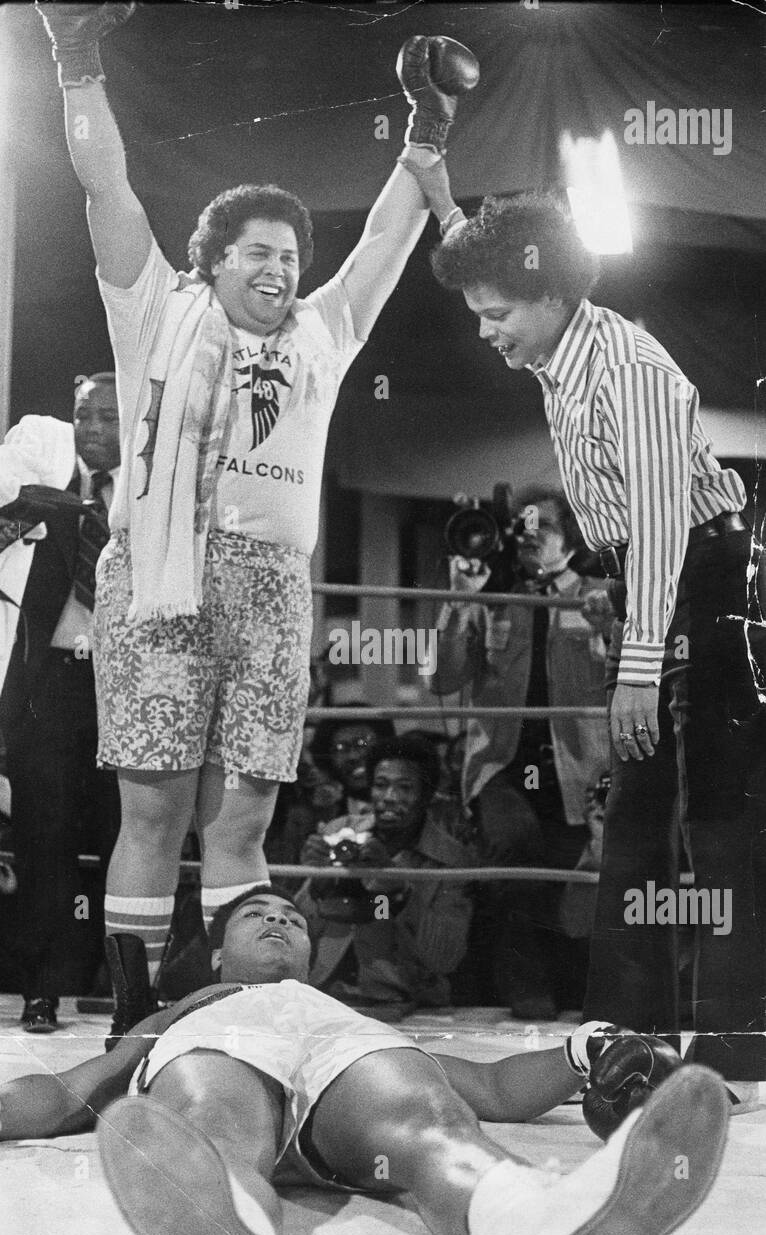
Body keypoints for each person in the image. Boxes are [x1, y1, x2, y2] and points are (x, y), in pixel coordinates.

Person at [36, 7, 479, 1037]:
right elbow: (106, 184)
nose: (280, 269)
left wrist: (429, 130)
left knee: (243, 817)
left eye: (289, 254)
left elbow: (384, 237)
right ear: (215, 257)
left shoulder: (323, 331)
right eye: (258, 253)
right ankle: (135, 1016)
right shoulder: (155, 312)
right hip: (160, 578)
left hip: (274, 592)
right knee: (150, 812)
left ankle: (238, 1016)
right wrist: (76, 65)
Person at [407, 168, 765, 1086]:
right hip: (644, 588)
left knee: (715, 820)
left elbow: (659, 529)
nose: (485, 332)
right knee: (637, 822)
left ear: (552, 293)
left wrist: (640, 668)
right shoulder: (555, 344)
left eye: (498, 313)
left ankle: (739, 1045)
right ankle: (627, 1034)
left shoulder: (632, 369)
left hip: (697, 578)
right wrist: (446, 201)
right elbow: (499, 273)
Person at [0, 886, 729, 1235]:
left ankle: (541, 1227)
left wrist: (582, 1050)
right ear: (219, 953)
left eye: (291, 917)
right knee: (212, 1119)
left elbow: (491, 1089)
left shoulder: (346, 1013)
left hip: (341, 1055)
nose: (280, 920)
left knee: (434, 1122)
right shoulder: (187, 1009)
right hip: (223, 1044)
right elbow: (69, 1092)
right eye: (259, 915)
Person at [430, 485, 610, 1018]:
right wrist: (460, 598)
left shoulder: (600, 596)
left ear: (572, 540)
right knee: (516, 845)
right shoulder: (492, 596)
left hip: (578, 770)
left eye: (543, 527)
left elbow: (631, 677)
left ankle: (571, 988)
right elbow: (442, 679)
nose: (528, 535)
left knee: (572, 877)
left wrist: (611, 629)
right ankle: (525, 987)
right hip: (502, 767)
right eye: (522, 526)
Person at [0, 375, 122, 1031]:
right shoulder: (35, 467)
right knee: (42, 840)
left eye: (108, 416)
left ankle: (123, 983)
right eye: (84, 415)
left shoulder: (146, 485)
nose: (94, 428)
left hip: (122, 687)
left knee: (119, 836)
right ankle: (40, 990)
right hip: (47, 684)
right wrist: (46, 510)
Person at [297, 732, 476, 1015]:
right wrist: (318, 886)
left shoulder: (450, 862)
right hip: (326, 994)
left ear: (428, 794)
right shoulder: (341, 830)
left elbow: (444, 958)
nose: (389, 798)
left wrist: (400, 890)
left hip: (404, 1003)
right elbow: (299, 931)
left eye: (405, 788)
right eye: (381, 785)